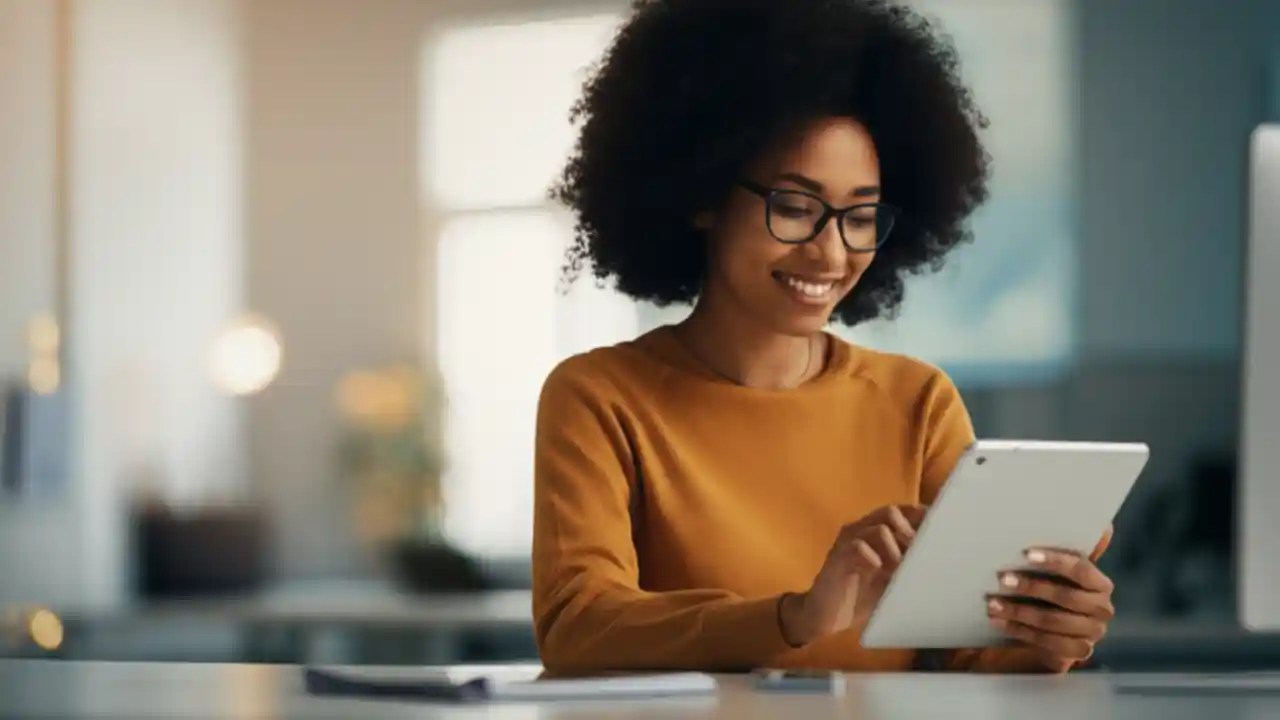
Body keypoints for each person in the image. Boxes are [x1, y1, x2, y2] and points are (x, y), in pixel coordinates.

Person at [532, 0, 1114, 674]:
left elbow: (965, 659)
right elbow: (580, 628)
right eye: (797, 207)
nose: (832, 253)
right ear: (700, 196)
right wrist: (796, 617)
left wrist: (1048, 641)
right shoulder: (600, 397)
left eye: (859, 216)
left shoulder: (917, 402)